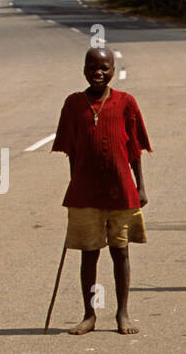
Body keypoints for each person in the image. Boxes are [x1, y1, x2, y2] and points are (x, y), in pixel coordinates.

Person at [52, 47, 152, 335]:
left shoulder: (125, 103)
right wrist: (75, 183)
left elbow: (134, 149)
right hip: (85, 194)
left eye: (105, 67)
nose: (98, 72)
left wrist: (140, 185)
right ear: (84, 69)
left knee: (121, 252)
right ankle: (89, 314)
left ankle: (123, 312)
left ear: (113, 70)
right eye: (93, 67)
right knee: (89, 254)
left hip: (121, 191)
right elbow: (70, 150)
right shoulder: (73, 104)